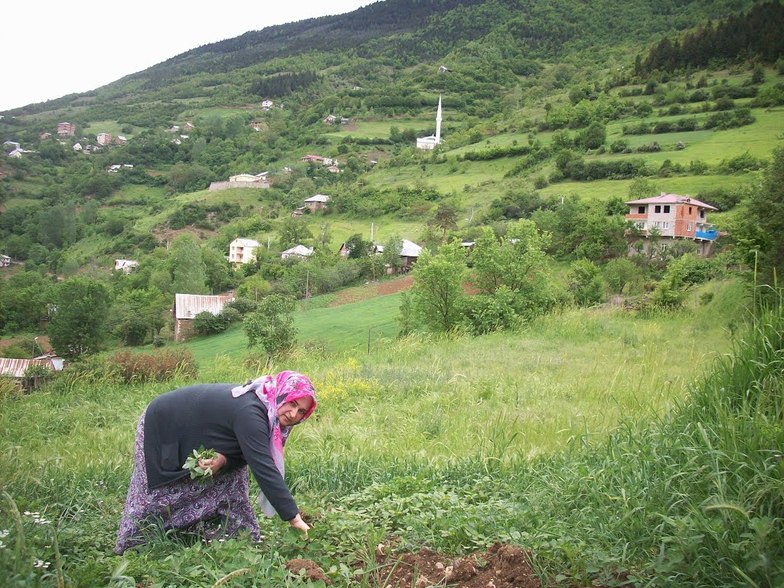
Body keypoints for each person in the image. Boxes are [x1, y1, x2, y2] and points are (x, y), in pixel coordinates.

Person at [115, 370, 316, 554]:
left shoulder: (271, 413)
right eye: (292, 403)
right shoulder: (253, 413)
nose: (293, 414)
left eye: (301, 412)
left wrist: (224, 460)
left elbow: (244, 450)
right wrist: (294, 518)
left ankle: (240, 541)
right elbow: (263, 467)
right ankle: (132, 547)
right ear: (282, 394)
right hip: (163, 423)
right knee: (156, 493)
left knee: (233, 481)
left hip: (197, 429)